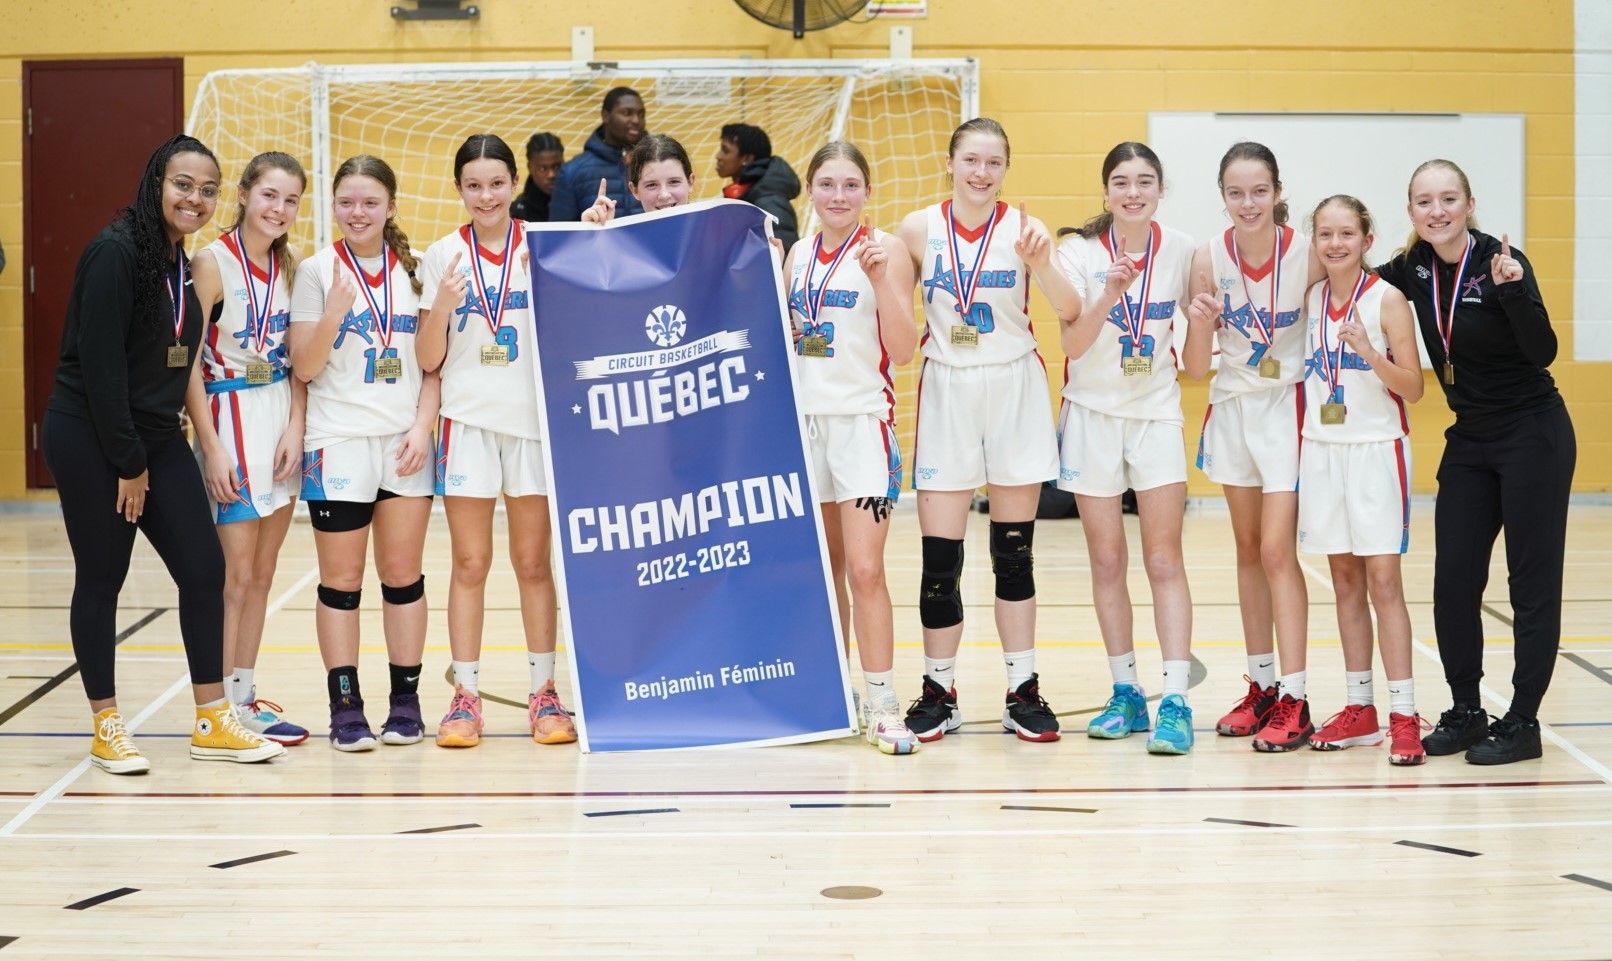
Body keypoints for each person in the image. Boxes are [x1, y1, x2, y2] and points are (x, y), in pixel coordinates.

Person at [42, 133, 286, 773]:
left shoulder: (182, 263)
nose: (195, 199)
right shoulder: (115, 253)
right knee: (103, 576)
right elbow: (100, 373)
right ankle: (107, 724)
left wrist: (156, 448)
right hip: (94, 434)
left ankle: (212, 717)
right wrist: (129, 463)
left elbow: (173, 363)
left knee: (204, 570)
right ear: (157, 183)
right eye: (183, 185)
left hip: (152, 432)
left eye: (207, 190)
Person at [1375, 160, 1575, 765]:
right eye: (1424, 202)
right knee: (1453, 582)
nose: (1437, 211)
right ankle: (1467, 710)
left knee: (1530, 586)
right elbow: (1345, 274)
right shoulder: (1410, 267)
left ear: (1468, 203)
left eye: (1448, 199)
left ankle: (1523, 722)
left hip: (1532, 435)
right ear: (1410, 211)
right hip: (1470, 440)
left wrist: (1514, 291)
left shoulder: (1499, 263)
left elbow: (1544, 352)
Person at [895, 118, 1082, 744]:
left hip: (1014, 385)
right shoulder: (918, 229)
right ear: (950, 161)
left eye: (994, 163)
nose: (981, 173)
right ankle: (938, 689)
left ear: (1006, 168)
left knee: (1014, 553)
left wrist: (1042, 261)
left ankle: (1021, 690)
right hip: (948, 383)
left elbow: (1069, 310)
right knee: (939, 559)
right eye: (971, 160)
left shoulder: (1024, 230)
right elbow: (890, 312)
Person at [416, 134, 576, 748]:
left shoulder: (544, 247)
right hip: (466, 425)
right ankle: (466, 697)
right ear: (459, 189)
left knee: (534, 564)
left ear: (515, 184)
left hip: (534, 426)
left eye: (497, 183)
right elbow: (429, 359)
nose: (487, 195)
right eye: (474, 185)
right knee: (469, 563)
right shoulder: (440, 257)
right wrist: (443, 309)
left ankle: (544, 693)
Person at [288, 154, 439, 753]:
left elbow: (434, 363)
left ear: (391, 207)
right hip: (338, 441)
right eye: (347, 202)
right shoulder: (316, 271)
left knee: (402, 578)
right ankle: (345, 706)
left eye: (370, 202)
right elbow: (303, 366)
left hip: (404, 443)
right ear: (334, 206)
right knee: (341, 582)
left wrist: (423, 426)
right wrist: (333, 315)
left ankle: (406, 702)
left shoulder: (419, 268)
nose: (358, 212)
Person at [1056, 141, 1197, 755]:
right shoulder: (1077, 252)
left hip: (1156, 415)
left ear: (1160, 190)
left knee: (1164, 561)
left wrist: (1209, 321)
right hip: (1090, 418)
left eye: (1144, 181)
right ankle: (1125, 692)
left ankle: (1175, 701)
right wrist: (1108, 294)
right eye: (1121, 182)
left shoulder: (1189, 251)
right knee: (1107, 561)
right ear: (1106, 192)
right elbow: (1073, 346)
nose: (1133, 192)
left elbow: (1194, 366)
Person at [1181, 142, 1319, 752]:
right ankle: (1262, 686)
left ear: (1278, 191)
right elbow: (1195, 365)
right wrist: (1201, 323)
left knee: (1275, 550)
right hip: (1235, 406)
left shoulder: (1310, 254)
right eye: (1235, 193)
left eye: (1258, 191)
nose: (1248, 203)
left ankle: (1296, 695)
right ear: (1222, 196)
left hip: (1286, 408)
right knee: (1245, 547)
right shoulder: (1208, 258)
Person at [785, 140, 917, 754]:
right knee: (821, 572)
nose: (839, 196)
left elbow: (905, 344)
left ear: (867, 192)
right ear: (810, 191)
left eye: (850, 185)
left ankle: (882, 702)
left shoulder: (884, 250)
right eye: (828, 184)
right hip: (804, 429)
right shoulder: (795, 255)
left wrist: (880, 279)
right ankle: (828, 691)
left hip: (863, 424)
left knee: (865, 570)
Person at [184, 151, 311, 746]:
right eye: (270, 196)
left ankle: (245, 696)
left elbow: (303, 366)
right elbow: (183, 362)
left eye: (290, 200)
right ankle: (215, 708)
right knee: (233, 576)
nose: (279, 209)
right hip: (228, 421)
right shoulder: (209, 263)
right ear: (243, 195)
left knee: (262, 572)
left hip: (279, 421)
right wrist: (209, 447)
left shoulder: (293, 268)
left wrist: (296, 428)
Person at [1298, 195, 1427, 765]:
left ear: (1367, 240)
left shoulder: (1389, 300)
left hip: (1377, 452)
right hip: (1323, 451)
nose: (1335, 244)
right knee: (1344, 583)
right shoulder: (1310, 300)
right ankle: (1361, 709)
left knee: (1384, 584)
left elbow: (1415, 389)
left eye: (1346, 233)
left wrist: (1370, 352)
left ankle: (1404, 714)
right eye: (1325, 234)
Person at [549, 87, 646, 221]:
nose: (636, 120)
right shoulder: (572, 171)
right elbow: (560, 234)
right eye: (627, 112)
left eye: (641, 114)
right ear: (605, 115)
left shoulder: (656, 163)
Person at [718, 123, 801, 251]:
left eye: (725, 151)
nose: (718, 156)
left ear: (746, 158)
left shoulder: (770, 202)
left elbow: (783, 257)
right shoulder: (746, 194)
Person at [580, 133, 696, 224]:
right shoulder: (621, 241)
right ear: (634, 190)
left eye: (674, 182)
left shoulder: (712, 231)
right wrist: (595, 236)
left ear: (690, 182)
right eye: (652, 185)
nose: (664, 195)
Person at [510, 132, 563, 223]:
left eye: (556, 167)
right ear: (529, 168)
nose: (551, 175)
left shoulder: (579, 200)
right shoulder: (518, 212)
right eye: (542, 168)